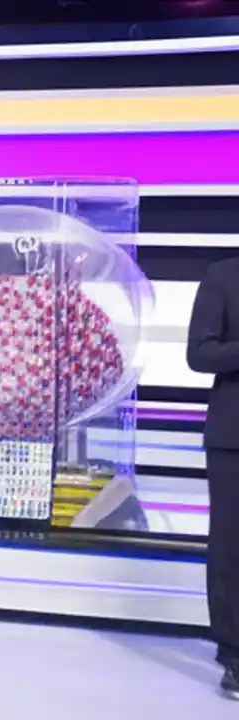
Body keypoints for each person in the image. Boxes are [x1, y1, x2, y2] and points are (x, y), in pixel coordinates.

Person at [186, 257, 239, 699]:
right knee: (230, 549)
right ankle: (234, 654)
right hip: (233, 438)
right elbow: (199, 354)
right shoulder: (223, 276)